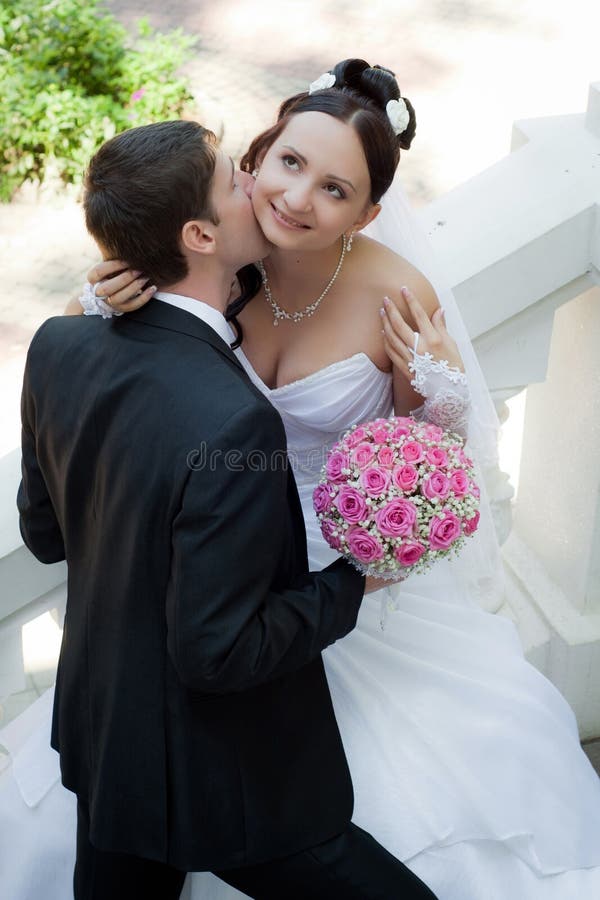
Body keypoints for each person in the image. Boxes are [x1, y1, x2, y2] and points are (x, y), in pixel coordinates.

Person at [6, 58, 600, 899]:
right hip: (209, 582)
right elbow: (138, 392)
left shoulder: (394, 294)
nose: (295, 199)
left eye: (334, 189)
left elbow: (428, 463)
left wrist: (433, 392)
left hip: (327, 563)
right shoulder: (210, 272)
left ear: (368, 213)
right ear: (254, 162)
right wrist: (100, 303)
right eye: (287, 164)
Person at [12, 118, 438, 900]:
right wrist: (354, 584)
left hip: (108, 734)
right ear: (201, 234)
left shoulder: (58, 346)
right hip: (220, 768)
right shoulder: (234, 423)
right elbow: (218, 649)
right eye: (236, 179)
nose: (260, 183)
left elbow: (44, 534)